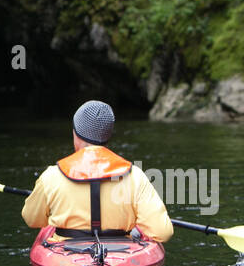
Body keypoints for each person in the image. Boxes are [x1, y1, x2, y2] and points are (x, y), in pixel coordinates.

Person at [21, 100, 173, 243]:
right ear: (108, 135)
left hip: (67, 255)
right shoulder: (135, 175)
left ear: (75, 133)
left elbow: (32, 220)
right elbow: (162, 232)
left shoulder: (52, 175)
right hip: (121, 254)